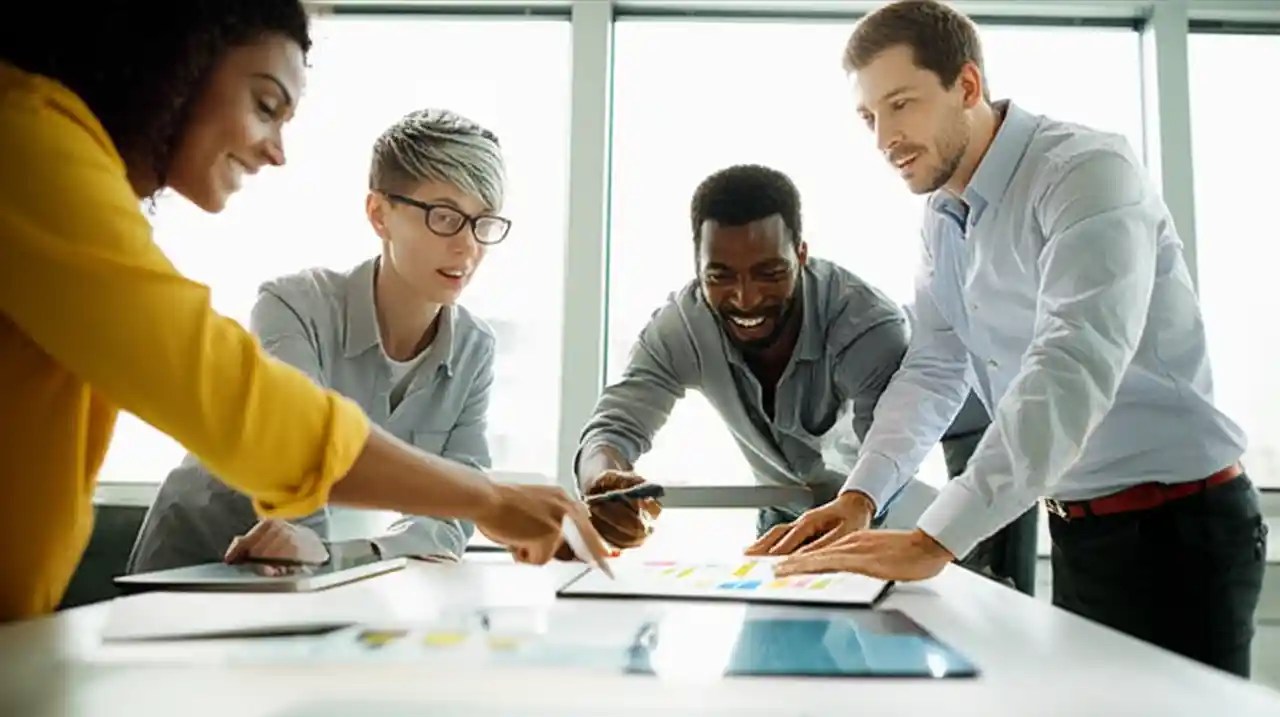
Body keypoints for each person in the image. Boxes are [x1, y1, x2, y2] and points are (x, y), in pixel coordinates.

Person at [0, 1, 606, 622]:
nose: (277, 152)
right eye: (265, 105)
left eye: (482, 223)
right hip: (188, 585)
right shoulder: (26, 147)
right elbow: (253, 411)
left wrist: (393, 532)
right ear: (175, 61)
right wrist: (488, 499)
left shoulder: (60, 170)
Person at [761, 0, 1266, 678]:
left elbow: (1072, 362)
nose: (884, 137)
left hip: (1181, 528)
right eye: (869, 116)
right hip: (1080, 528)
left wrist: (937, 534)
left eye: (902, 104)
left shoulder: (1087, 174)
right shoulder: (944, 217)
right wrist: (861, 497)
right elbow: (938, 366)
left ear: (967, 87)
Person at [127, 108, 510, 573]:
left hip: (317, 573)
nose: (468, 246)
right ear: (379, 214)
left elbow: (457, 512)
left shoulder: (474, 348)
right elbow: (293, 455)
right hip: (195, 564)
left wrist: (343, 554)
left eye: (483, 222)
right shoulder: (293, 305)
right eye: (445, 217)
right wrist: (320, 547)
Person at [572, 164, 983, 555]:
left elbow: (886, 458)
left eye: (769, 273)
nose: (745, 298)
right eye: (720, 276)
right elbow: (612, 428)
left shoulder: (866, 325)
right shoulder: (681, 327)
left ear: (801, 254)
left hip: (877, 506)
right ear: (697, 267)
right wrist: (601, 481)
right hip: (781, 513)